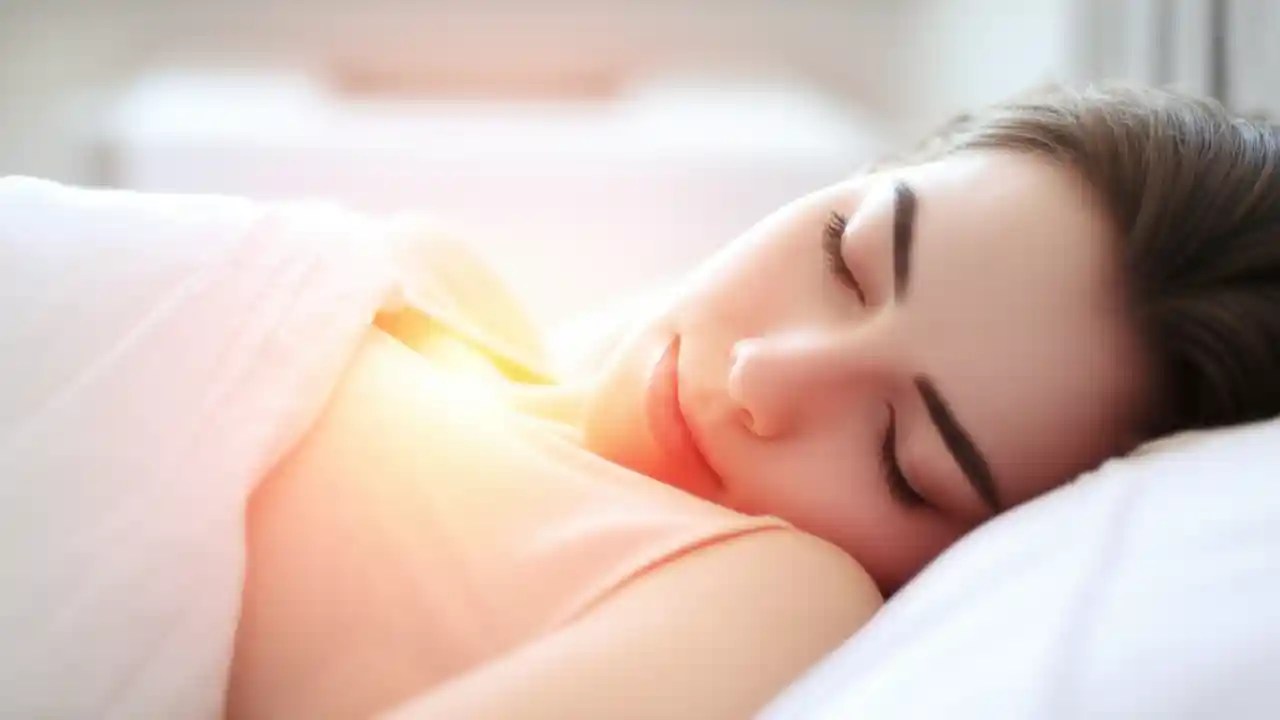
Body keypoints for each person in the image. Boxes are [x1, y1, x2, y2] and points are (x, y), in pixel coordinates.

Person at [220, 84, 1279, 718]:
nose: (767, 378)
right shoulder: (471, 307)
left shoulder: (777, 597)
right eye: (845, 258)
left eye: (901, 457)